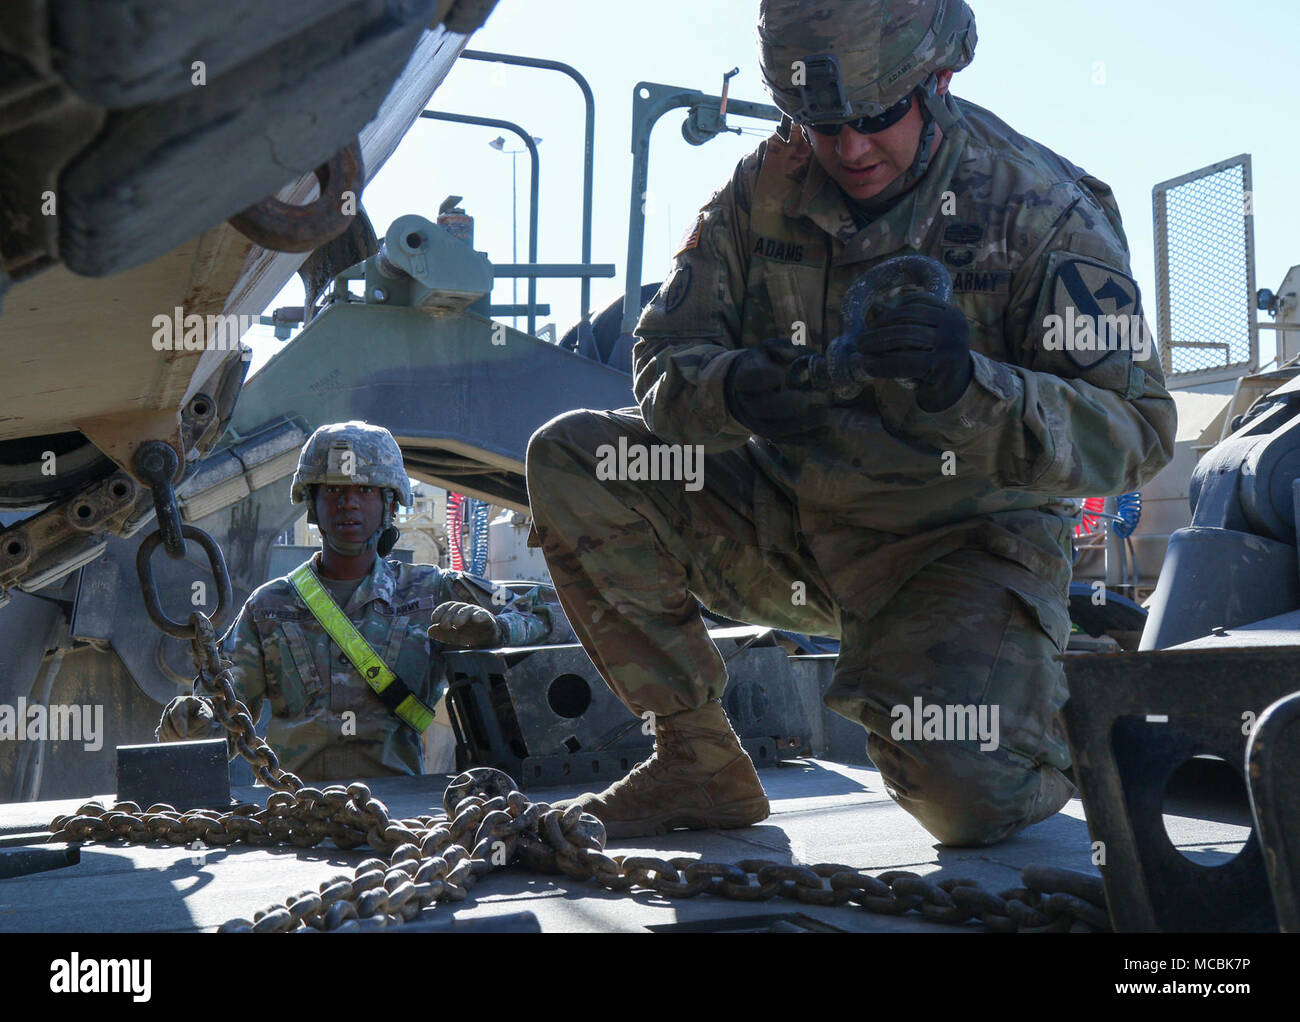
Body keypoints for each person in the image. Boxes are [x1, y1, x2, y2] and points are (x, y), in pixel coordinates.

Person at [524, 0, 1176, 846]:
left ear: (935, 83)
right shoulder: (762, 189)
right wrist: (735, 390)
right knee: (578, 459)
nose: (850, 148)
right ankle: (695, 762)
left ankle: (1047, 696)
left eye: (874, 118)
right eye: (820, 123)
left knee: (965, 799)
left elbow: (1138, 430)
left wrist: (968, 388)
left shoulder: (1043, 212)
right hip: (783, 525)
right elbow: (663, 359)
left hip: (955, 552)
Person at [158, 421, 570, 782]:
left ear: (389, 504)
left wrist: (499, 629)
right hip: (293, 816)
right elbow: (226, 724)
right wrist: (192, 723)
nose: (348, 502)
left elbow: (559, 608)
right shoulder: (270, 607)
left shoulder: (430, 591)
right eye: (334, 489)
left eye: (365, 489)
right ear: (313, 505)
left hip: (399, 816)